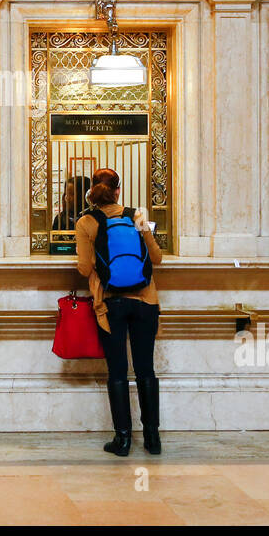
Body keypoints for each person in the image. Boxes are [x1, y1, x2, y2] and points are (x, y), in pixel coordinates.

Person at [74, 168, 163, 457]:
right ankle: (152, 439)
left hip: (110, 303)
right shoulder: (137, 215)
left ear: (92, 193)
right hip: (145, 301)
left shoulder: (86, 221)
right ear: (118, 191)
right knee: (146, 369)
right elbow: (157, 257)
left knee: (118, 372)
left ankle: (123, 440)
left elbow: (85, 269)